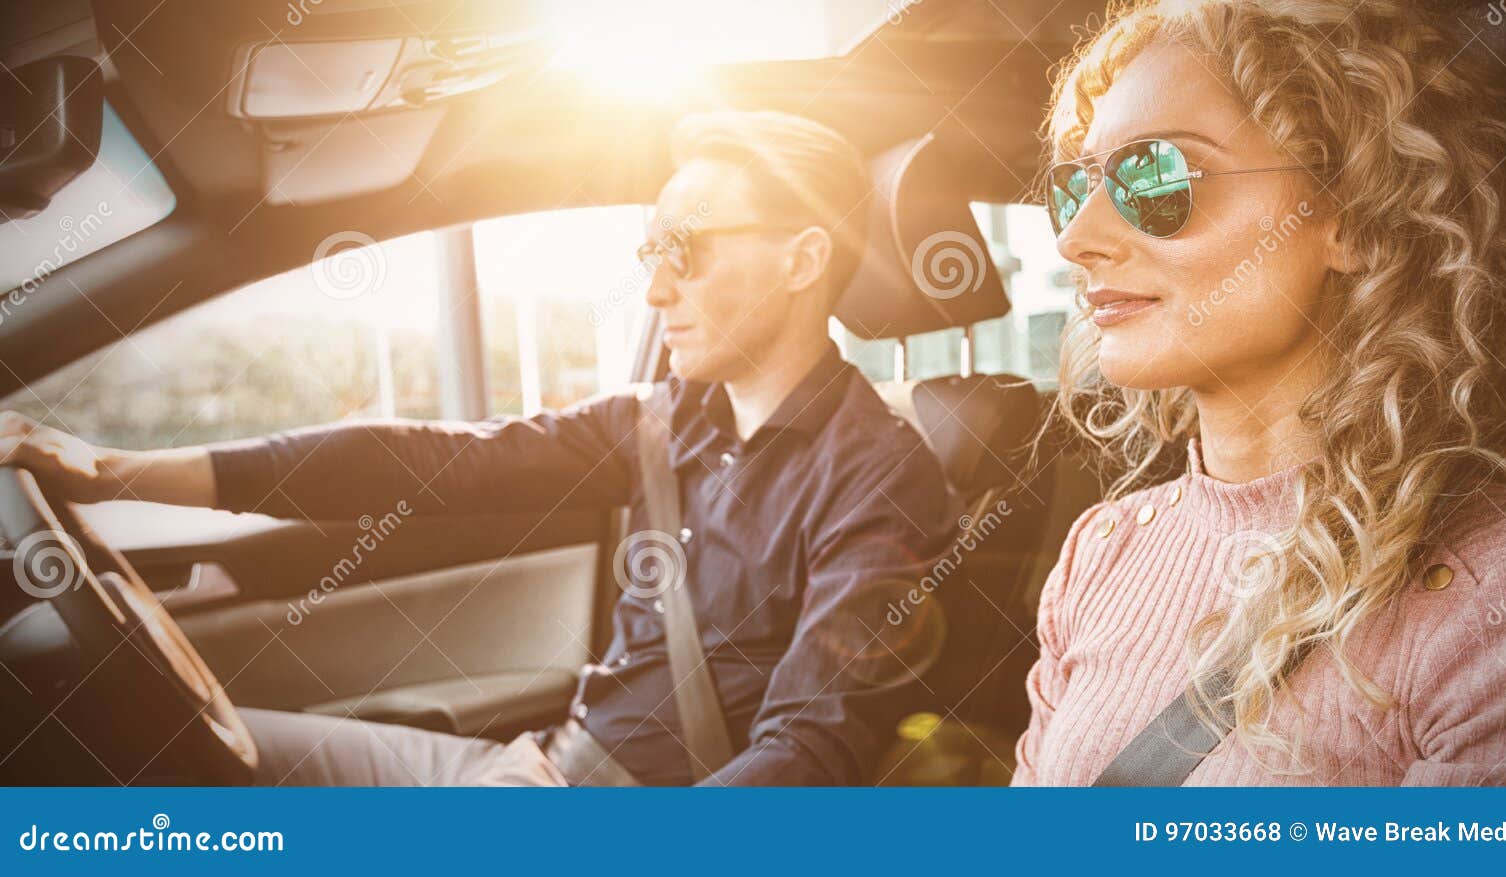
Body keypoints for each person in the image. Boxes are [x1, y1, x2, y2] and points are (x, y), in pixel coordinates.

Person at [0, 110, 963, 786]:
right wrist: (117, 471)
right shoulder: (668, 418)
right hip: (532, 765)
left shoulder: (879, 478)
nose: (656, 288)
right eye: (650, 252)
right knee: (188, 753)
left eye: (688, 249)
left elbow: (806, 748)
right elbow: (427, 462)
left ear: (802, 259)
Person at [1015, 0, 1506, 785]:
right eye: (1073, 188)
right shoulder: (1099, 554)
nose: (1075, 238)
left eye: (1153, 175)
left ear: (1352, 217)